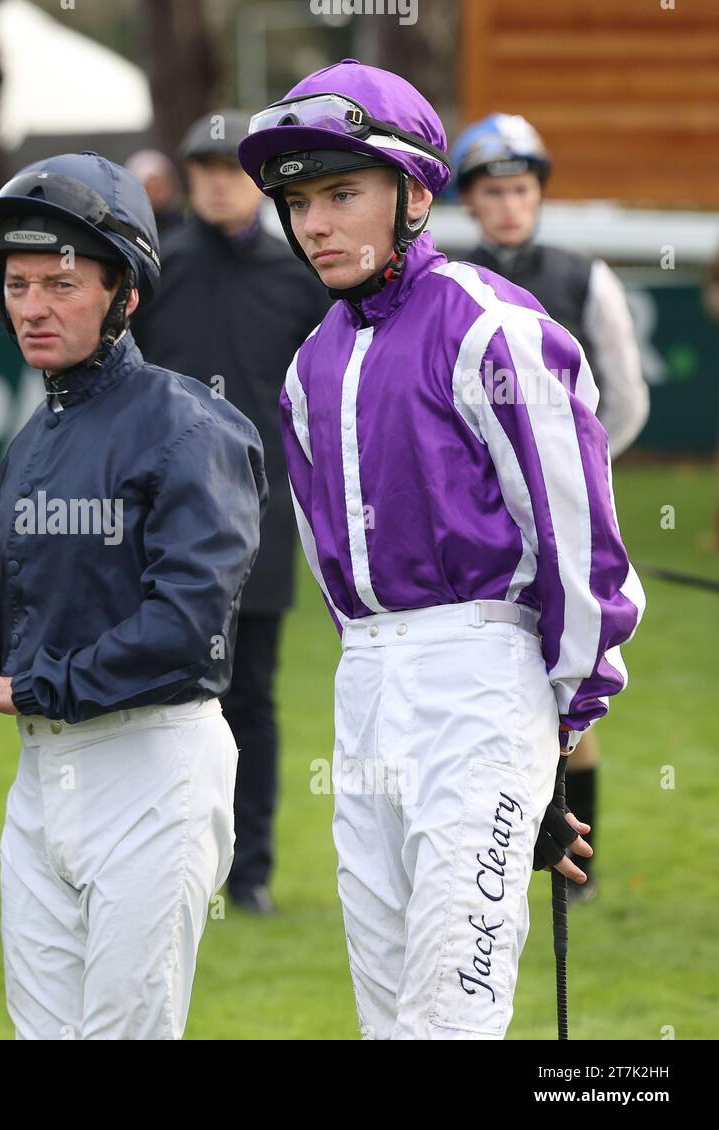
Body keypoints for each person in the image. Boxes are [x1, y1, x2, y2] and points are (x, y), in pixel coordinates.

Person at [238, 59, 644, 1038]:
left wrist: (554, 726)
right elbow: (332, 562)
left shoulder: (491, 325)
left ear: (414, 192)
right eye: (298, 201)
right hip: (365, 685)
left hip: (480, 684)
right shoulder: (309, 366)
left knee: (449, 1010)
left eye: (341, 192)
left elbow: (578, 536)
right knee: (388, 1012)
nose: (316, 224)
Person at [0, 152, 268, 1040]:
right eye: (17, 285)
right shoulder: (31, 440)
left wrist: (19, 687)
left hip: (153, 771)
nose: (31, 308)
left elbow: (186, 628)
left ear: (123, 292)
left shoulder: (192, 427)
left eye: (60, 284)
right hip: (42, 777)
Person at [133, 109, 330, 915]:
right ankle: (164, 866)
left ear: (257, 180)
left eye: (230, 169)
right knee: (159, 694)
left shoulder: (299, 279)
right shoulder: (157, 271)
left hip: (264, 523)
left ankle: (247, 873)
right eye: (202, 168)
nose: (217, 182)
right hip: (163, 525)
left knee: (251, 697)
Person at [452, 114, 653, 899]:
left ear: (538, 193)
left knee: (576, 688)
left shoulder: (583, 275)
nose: (508, 205)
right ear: (471, 200)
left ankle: (574, 866)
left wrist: (582, 481)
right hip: (478, 527)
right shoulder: (443, 283)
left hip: (565, 521)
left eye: (520, 189)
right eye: (492, 192)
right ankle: (486, 850)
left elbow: (625, 396)